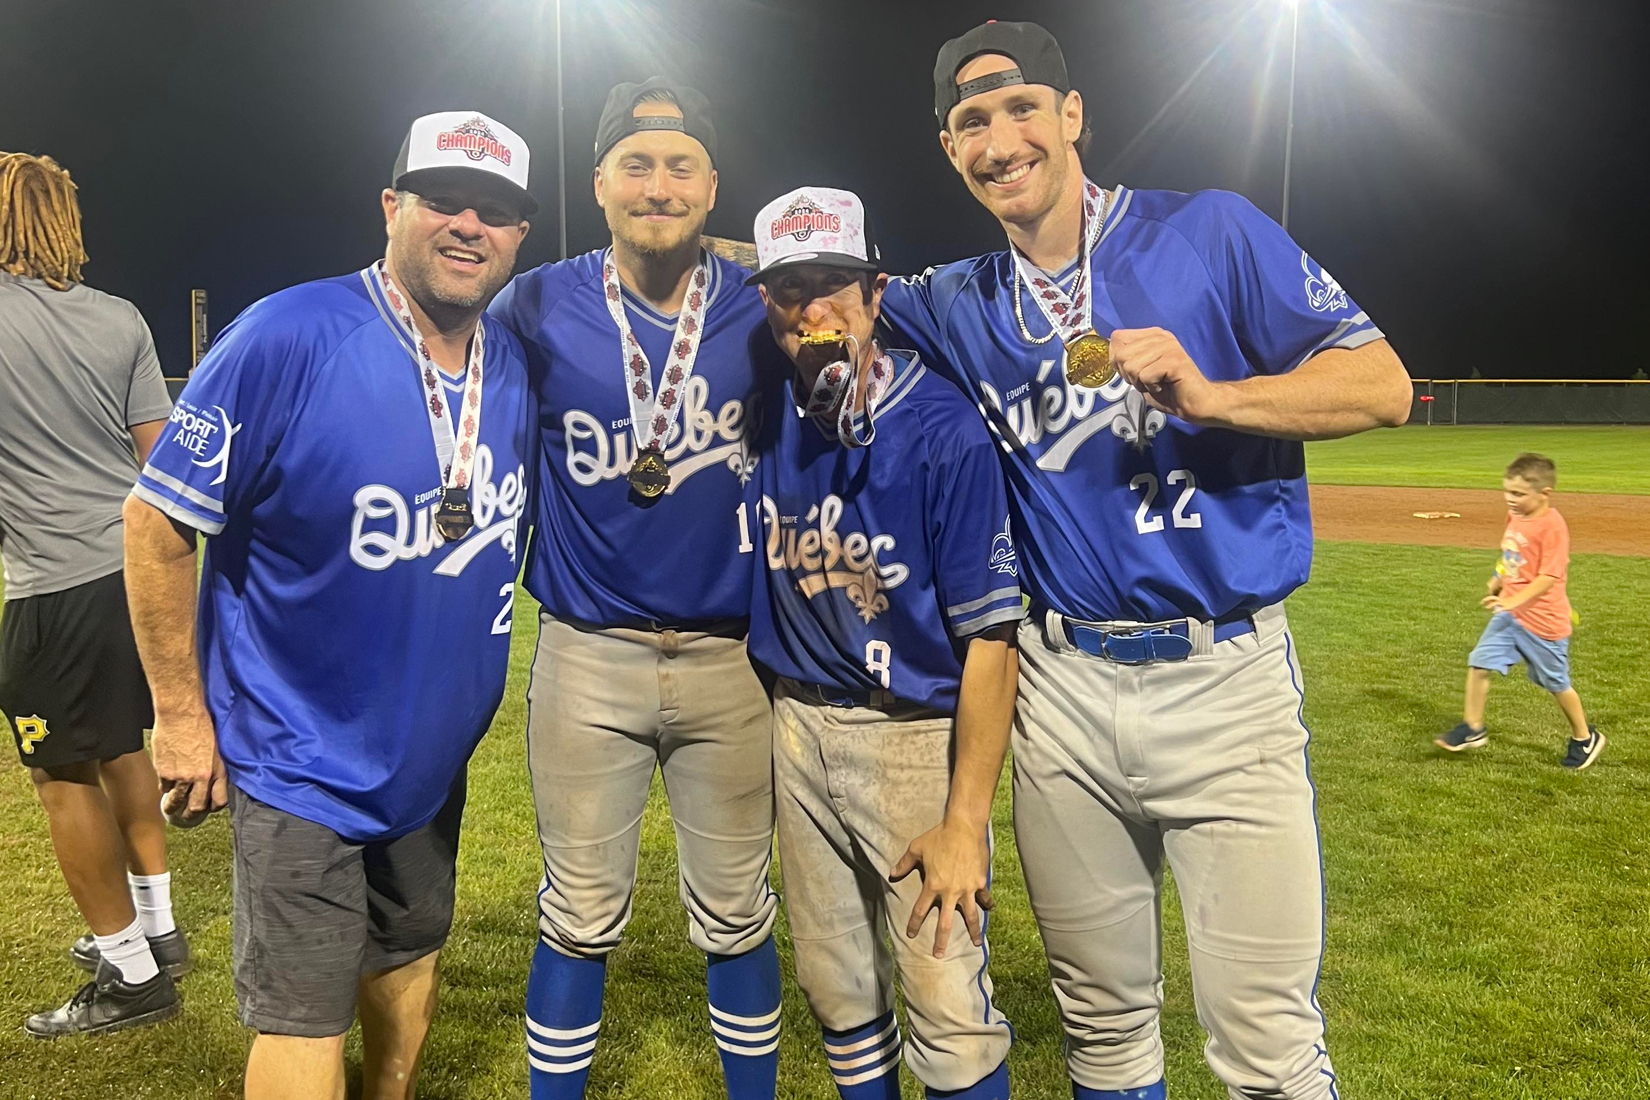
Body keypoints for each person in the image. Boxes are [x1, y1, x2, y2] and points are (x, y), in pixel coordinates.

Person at [878, 21, 1414, 1100]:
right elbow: (830, 287)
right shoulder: (957, 299)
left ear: (1073, 117)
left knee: (1268, 1046)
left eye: (1024, 107)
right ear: (950, 149)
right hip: (1062, 694)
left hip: (1227, 681)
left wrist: (1216, 396)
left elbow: (1384, 384)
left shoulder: (1208, 232)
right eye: (973, 122)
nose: (1002, 138)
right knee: (1106, 1034)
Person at [123, 111, 536, 1100]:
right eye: (444, 199)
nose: (471, 223)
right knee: (304, 1005)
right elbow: (156, 526)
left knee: (407, 948)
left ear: (522, 236)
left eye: (500, 210)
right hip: (296, 749)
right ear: (392, 207)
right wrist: (181, 718)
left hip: (430, 757)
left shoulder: (511, 366)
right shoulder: (287, 335)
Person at [487, 80, 781, 1100]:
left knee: (739, 908)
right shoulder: (533, 303)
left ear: (711, 183)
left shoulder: (763, 302)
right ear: (601, 182)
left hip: (736, 656)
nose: (660, 185)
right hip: (587, 655)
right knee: (576, 910)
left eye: (681, 163)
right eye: (639, 164)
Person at [744, 186, 1019, 1100]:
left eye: (833, 285)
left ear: (875, 292)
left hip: (913, 740)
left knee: (945, 999)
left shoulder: (943, 428)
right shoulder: (771, 411)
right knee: (836, 985)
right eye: (791, 290)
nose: (813, 309)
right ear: (768, 305)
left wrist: (965, 824)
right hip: (797, 729)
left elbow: (993, 643)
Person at [0, 151, 186, 1038]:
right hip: (133, 574)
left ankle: (129, 971)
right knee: (121, 748)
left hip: (53, 585)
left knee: (58, 773)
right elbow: (164, 463)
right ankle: (159, 926)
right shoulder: (121, 318)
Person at [1436, 452, 1604, 768]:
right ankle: (1473, 728)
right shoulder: (1516, 516)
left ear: (1544, 493)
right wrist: (1498, 579)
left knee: (1556, 683)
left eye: (1517, 494)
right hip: (1510, 616)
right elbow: (1512, 555)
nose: (1509, 499)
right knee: (1480, 663)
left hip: (1543, 622)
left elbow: (1548, 576)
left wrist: (1512, 600)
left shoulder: (1552, 526)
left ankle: (1585, 737)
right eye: (1507, 491)